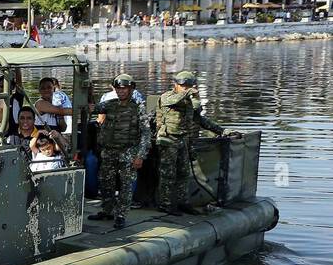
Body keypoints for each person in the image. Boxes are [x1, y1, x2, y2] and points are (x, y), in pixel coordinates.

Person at [155, 70, 229, 215]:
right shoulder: (167, 97)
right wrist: (189, 94)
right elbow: (172, 101)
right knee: (168, 174)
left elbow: (200, 120)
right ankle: (165, 204)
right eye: (183, 86)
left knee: (183, 172)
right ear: (175, 85)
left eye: (189, 86)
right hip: (168, 139)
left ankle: (182, 202)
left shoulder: (190, 102)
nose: (186, 88)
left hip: (183, 139)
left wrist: (222, 130)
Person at [88, 74, 151, 229]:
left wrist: (140, 155)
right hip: (109, 151)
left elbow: (146, 133)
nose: (121, 91)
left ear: (131, 89)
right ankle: (107, 210)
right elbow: (91, 108)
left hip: (128, 151)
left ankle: (121, 215)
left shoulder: (139, 108)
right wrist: (88, 91)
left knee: (126, 185)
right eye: (118, 88)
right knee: (105, 181)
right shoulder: (109, 105)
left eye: (124, 88)